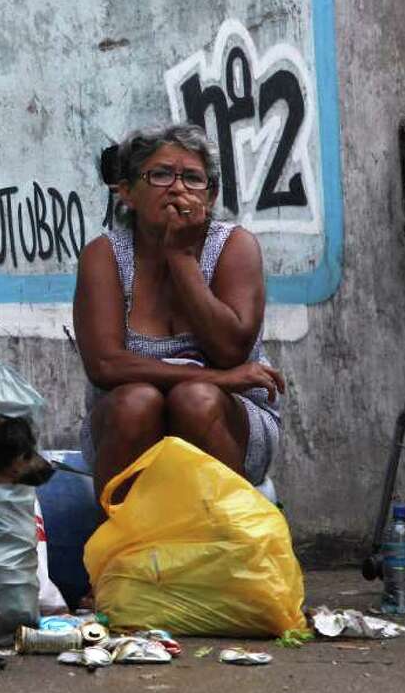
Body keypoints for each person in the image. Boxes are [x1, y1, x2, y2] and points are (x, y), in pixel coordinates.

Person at [73, 123, 285, 504]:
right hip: (124, 424)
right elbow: (105, 366)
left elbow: (230, 350)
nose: (177, 188)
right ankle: (119, 558)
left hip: (231, 421)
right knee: (138, 402)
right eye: (160, 175)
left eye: (192, 178)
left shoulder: (234, 247)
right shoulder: (104, 256)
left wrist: (180, 256)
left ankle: (222, 551)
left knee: (196, 400)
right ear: (127, 192)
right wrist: (221, 378)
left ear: (212, 194)